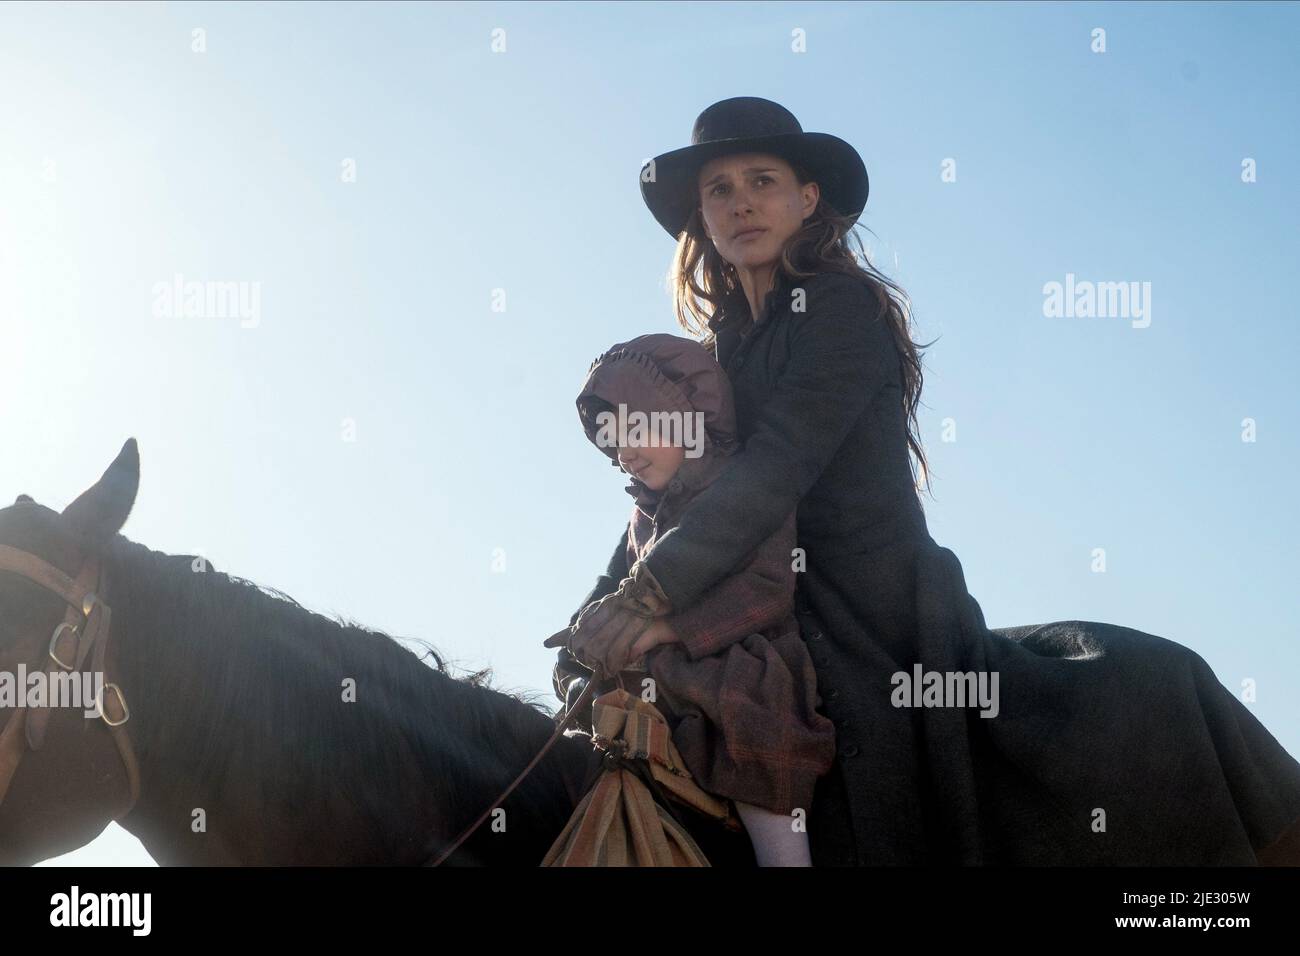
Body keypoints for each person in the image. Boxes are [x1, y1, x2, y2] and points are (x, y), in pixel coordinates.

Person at [550, 96, 1300, 865]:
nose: (741, 202)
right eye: (720, 189)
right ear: (700, 218)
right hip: (754, 594)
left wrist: (651, 598)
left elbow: (777, 469)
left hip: (868, 606)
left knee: (848, 777)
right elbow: (666, 496)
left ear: (808, 199)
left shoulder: (843, 310)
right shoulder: (715, 353)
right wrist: (593, 615)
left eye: (762, 180)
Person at [545, 333, 837, 866]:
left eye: (635, 430)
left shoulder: (738, 486)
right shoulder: (642, 518)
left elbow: (767, 587)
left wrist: (660, 630)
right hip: (662, 672)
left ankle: (785, 859)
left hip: (736, 666)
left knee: (757, 751)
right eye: (613, 444)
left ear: (686, 417)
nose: (624, 454)